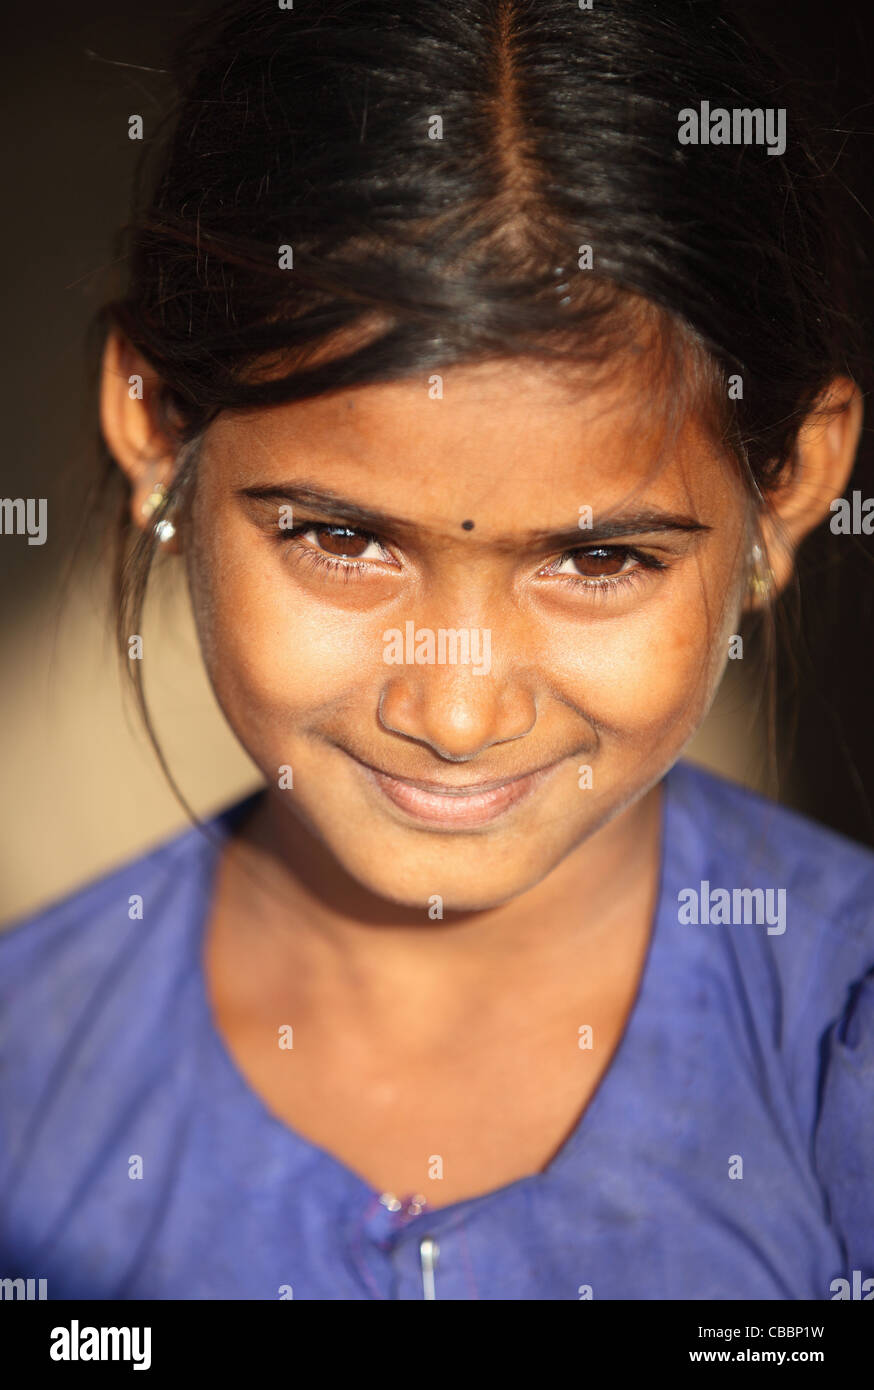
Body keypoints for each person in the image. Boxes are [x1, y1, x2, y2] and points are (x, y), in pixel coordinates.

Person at [1, 0, 872, 1300]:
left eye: (597, 558)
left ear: (791, 487)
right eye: (341, 538)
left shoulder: (833, 1051)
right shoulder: (27, 1087)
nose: (456, 712)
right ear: (156, 427)